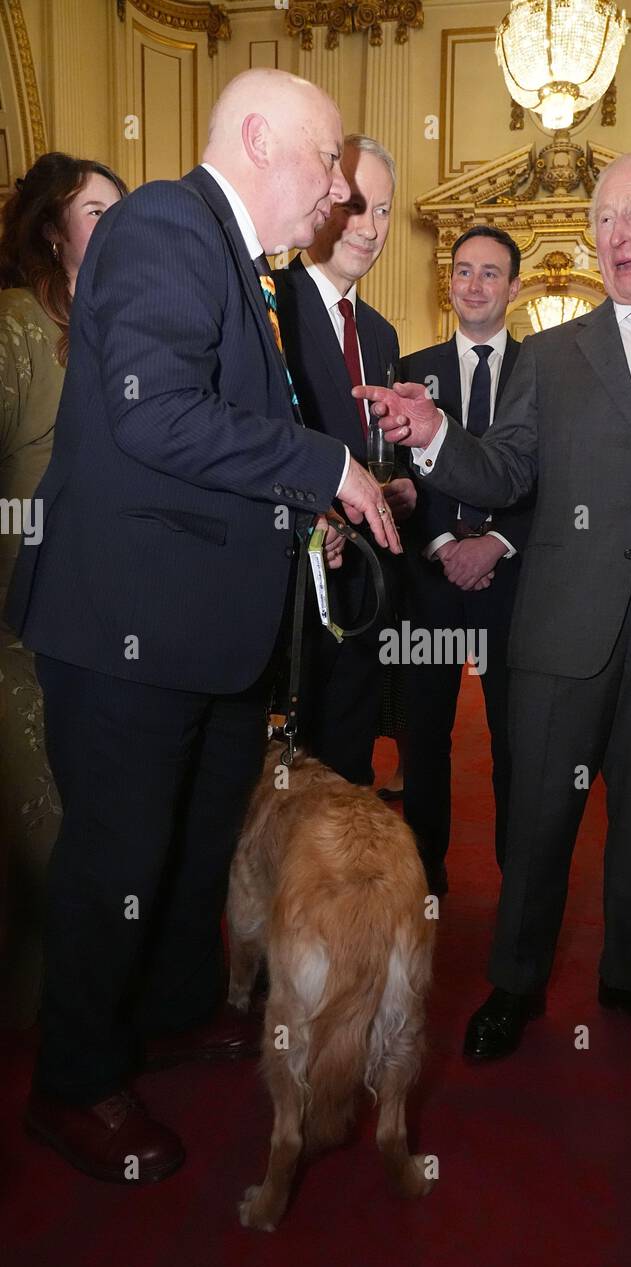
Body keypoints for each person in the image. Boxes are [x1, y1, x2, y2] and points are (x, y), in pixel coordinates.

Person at [4, 69, 401, 1183]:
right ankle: (75, 1083)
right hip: (127, 629)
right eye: (327, 164)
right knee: (117, 852)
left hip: (211, 636)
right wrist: (321, 463)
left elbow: (221, 436)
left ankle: (171, 1011)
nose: (335, 194)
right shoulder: (166, 222)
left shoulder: (241, 262)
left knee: (185, 849)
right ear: (258, 136)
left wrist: (298, 511)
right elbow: (155, 413)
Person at [357, 151, 631, 1063]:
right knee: (541, 813)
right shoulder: (549, 357)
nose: (615, 234)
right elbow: (506, 471)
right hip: (561, 631)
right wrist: (435, 436)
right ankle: (514, 981)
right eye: (602, 218)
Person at [0, 153, 126, 1028]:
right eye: (93, 211)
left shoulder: (130, 326)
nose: (113, 226)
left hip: (110, 629)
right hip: (19, 633)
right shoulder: (14, 326)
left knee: (104, 835)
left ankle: (71, 1020)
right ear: (52, 228)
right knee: (46, 842)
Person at [272, 134, 416, 786]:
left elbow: (374, 456)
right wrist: (307, 514)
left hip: (365, 600)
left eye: (384, 211)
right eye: (356, 205)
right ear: (325, 199)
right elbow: (237, 439)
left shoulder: (382, 334)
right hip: (287, 605)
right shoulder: (267, 303)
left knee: (349, 780)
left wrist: (399, 490)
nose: (370, 227)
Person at [399, 226, 532, 894]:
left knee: (516, 738)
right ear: (447, 282)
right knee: (425, 734)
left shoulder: (545, 371)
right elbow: (400, 477)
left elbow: (552, 475)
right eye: (463, 271)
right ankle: (425, 870)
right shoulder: (410, 367)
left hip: (512, 583)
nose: (474, 285)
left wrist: (496, 542)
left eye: (490, 273)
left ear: (513, 286)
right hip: (433, 583)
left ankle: (518, 874)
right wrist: (446, 545)